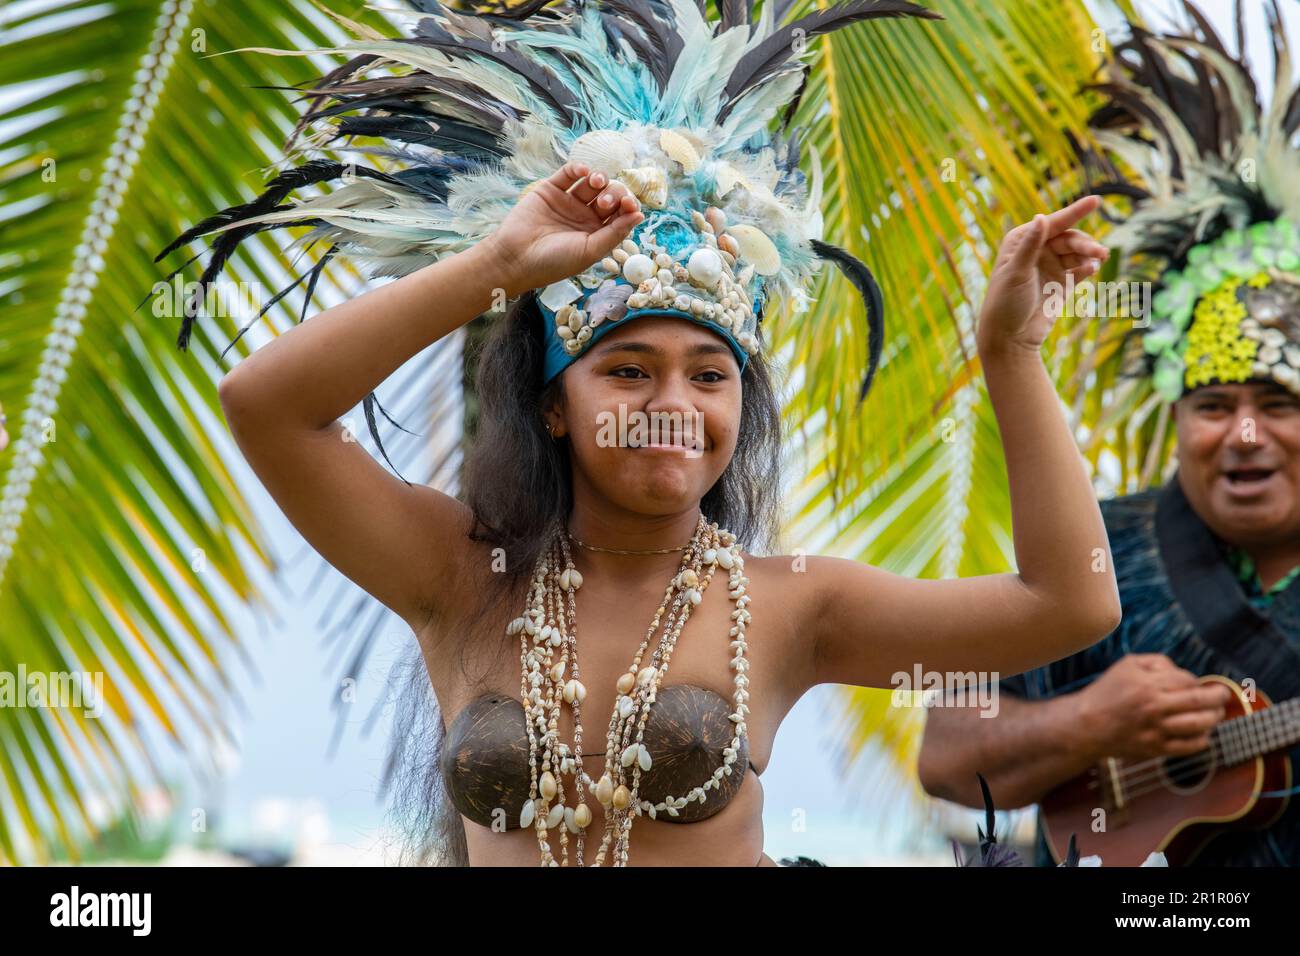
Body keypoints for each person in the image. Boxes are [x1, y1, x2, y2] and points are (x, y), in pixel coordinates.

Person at [160, 0, 1118, 866]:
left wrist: (1011, 356)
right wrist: (497, 263)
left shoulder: (789, 608)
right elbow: (266, 405)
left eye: (710, 377)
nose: (673, 402)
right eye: (626, 371)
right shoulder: (457, 579)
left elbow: (1066, 604)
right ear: (551, 405)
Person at [918, 7, 1300, 866]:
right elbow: (944, 756)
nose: (1244, 434)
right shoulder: (1089, 552)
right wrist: (1089, 722)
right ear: (1175, 414)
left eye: (1279, 403)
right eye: (1212, 404)